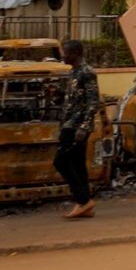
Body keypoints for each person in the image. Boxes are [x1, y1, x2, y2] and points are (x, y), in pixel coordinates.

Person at [53, 39, 101, 220]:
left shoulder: (87, 73)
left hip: (76, 126)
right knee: (78, 164)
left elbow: (92, 101)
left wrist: (84, 126)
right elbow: (72, 100)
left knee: (61, 161)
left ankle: (83, 200)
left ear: (75, 53)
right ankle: (84, 204)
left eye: (65, 52)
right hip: (68, 124)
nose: (62, 56)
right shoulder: (73, 73)